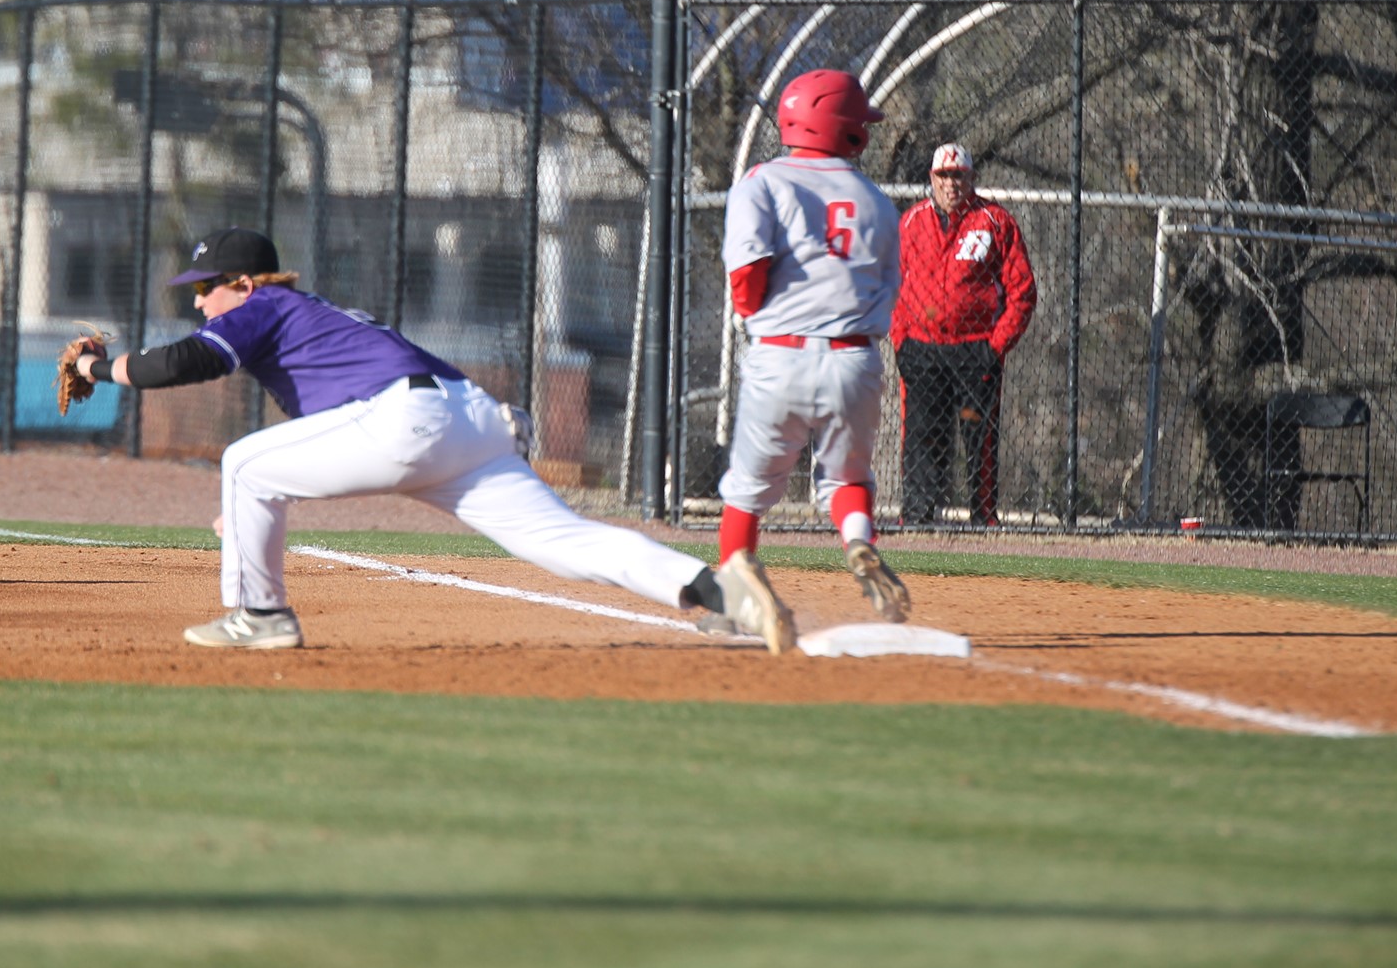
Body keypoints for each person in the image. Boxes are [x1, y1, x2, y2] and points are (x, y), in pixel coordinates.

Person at [73, 226, 797, 653]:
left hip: (409, 420)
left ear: (242, 281)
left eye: (205, 286)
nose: (199, 299)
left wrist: (96, 368)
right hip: (465, 417)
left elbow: (182, 363)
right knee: (566, 542)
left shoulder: (264, 304)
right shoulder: (315, 316)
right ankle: (719, 591)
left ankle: (261, 617)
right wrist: (245, 510)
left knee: (243, 460)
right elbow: (349, 407)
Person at [716, 69, 911, 622]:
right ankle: (858, 540)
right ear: (848, 129)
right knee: (847, 478)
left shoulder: (763, 181)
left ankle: (737, 600)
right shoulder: (877, 201)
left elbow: (747, 278)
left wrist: (758, 311)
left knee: (747, 490)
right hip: (855, 358)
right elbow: (888, 287)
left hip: (781, 354)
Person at [890, 143, 1038, 527]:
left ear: (971, 178)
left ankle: (984, 517)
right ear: (932, 178)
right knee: (922, 434)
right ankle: (917, 517)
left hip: (976, 350)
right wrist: (901, 340)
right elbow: (892, 286)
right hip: (922, 349)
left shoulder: (994, 222)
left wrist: (996, 345)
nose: (951, 184)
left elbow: (1022, 291)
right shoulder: (911, 223)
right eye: (943, 176)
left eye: (958, 176)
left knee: (979, 437)